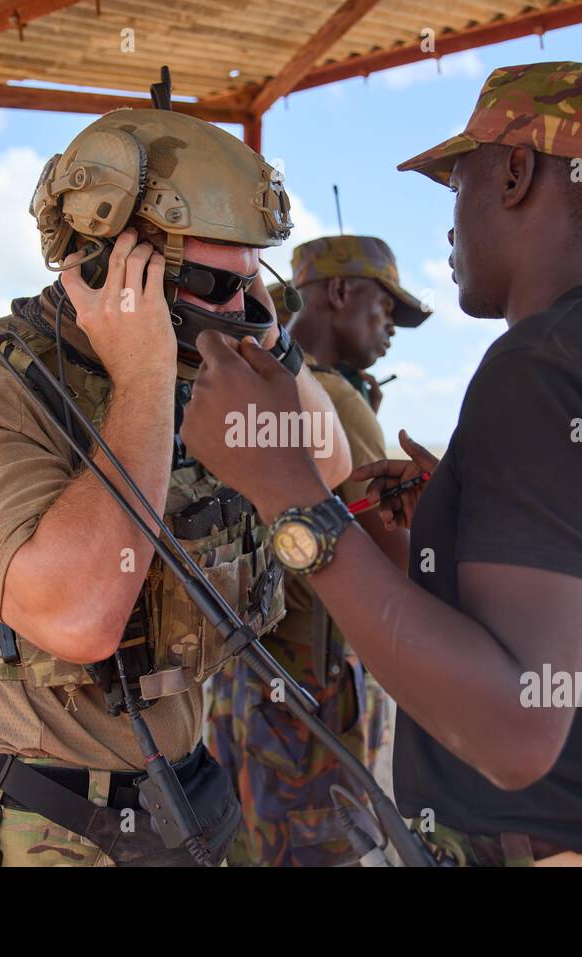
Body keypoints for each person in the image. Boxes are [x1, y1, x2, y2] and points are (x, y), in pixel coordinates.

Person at [179, 61, 582, 867]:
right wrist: (464, 535)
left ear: (515, 173)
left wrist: (290, 496)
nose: (450, 224)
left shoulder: (540, 367)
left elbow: (515, 732)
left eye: (455, 184)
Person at [0, 103, 350, 866]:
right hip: (49, 825)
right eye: (211, 282)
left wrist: (274, 346)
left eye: (251, 284)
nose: (235, 310)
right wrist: (144, 374)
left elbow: (323, 477)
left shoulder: (195, 374)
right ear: (110, 265)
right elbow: (81, 616)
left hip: (188, 800)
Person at [205, 235, 428, 865]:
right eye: (385, 310)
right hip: (310, 693)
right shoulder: (334, 400)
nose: (390, 331)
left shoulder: (247, 384)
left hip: (246, 679)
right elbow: (399, 562)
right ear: (338, 292)